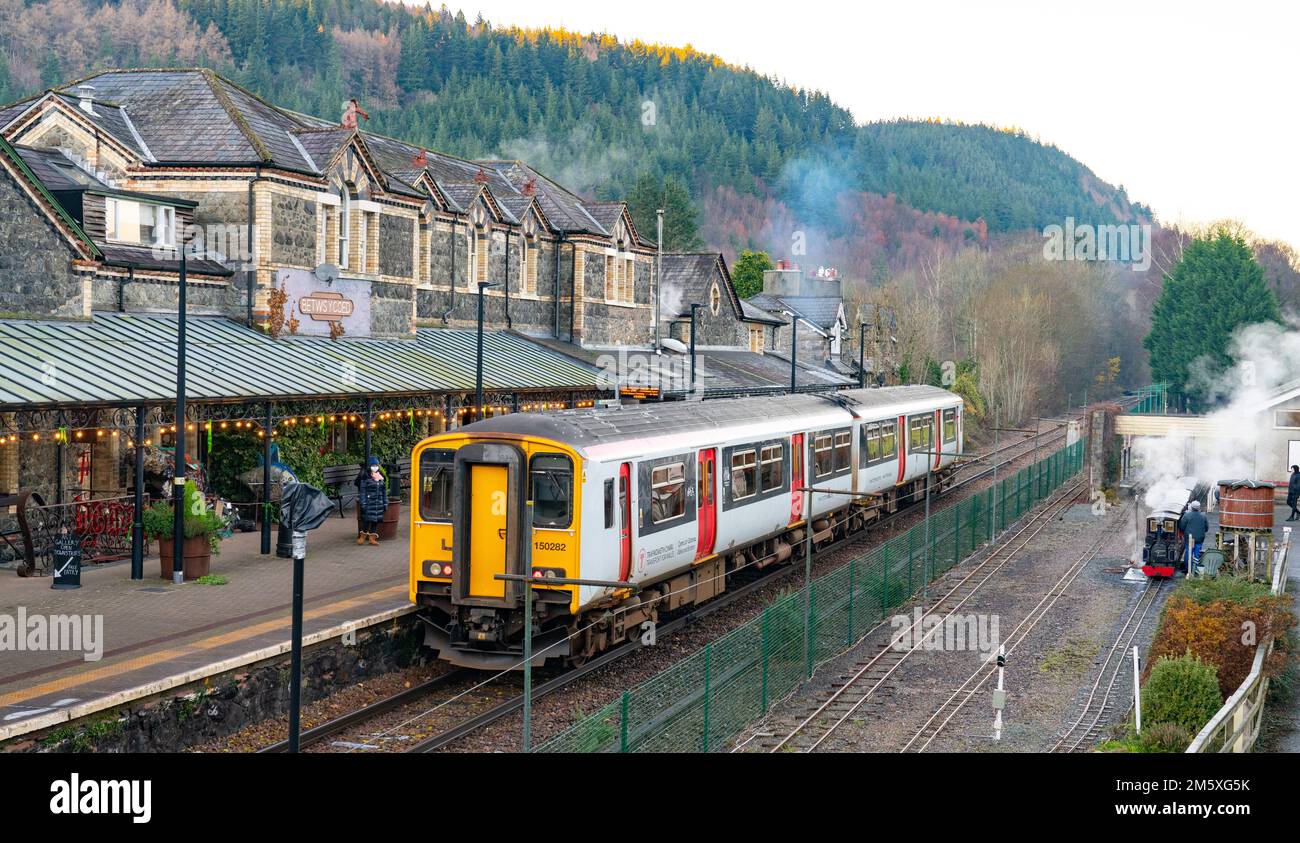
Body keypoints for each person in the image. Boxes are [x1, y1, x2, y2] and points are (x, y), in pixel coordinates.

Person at [357, 457, 388, 546]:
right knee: (367, 520)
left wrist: (385, 503)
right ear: (370, 466)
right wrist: (363, 503)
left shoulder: (380, 477)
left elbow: (384, 492)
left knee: (375, 521)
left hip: (378, 502)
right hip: (369, 502)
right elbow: (362, 492)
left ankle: (372, 539)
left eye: (376, 465)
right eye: (373, 465)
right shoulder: (365, 477)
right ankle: (362, 537)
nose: (375, 467)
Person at [1177, 500, 1209, 573]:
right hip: (1200, 538)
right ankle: (1195, 569)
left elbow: (1181, 527)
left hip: (1189, 538)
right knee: (1197, 553)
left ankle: (1187, 569)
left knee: (1188, 552)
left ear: (1191, 507)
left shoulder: (1187, 515)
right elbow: (1207, 528)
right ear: (1199, 508)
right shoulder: (1203, 516)